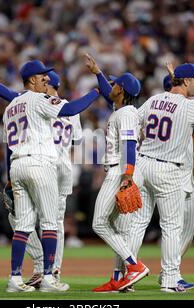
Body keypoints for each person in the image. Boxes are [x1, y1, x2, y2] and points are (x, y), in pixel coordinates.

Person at [0, 54, 84, 290]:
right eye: (42, 78)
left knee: (24, 222)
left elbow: (1, 91)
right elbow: (76, 140)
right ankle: (50, 272)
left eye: (47, 80)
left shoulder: (18, 104)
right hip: (51, 164)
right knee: (53, 222)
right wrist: (99, 88)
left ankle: (30, 273)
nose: (45, 82)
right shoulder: (44, 102)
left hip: (27, 163)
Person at [136, 63, 194, 292]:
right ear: (186, 81)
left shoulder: (153, 100)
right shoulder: (188, 106)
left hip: (144, 164)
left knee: (137, 224)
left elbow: (135, 124)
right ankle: (169, 279)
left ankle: (122, 274)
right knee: (171, 227)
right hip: (169, 170)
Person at [83, 54, 149, 293]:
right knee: (121, 230)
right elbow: (105, 92)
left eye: (114, 84)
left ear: (120, 89)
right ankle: (119, 279)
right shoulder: (122, 109)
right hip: (124, 171)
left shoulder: (127, 113)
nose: (110, 87)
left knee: (99, 223)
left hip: (122, 172)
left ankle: (134, 266)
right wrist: (97, 72)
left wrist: (127, 177)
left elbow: (130, 145)